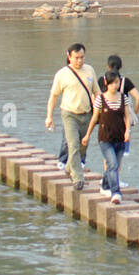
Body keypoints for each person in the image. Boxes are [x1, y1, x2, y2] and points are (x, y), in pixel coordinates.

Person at [46, 44, 97, 190]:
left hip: (87, 114)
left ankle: (69, 167)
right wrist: (49, 116)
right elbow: (54, 96)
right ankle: (78, 178)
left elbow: (96, 92)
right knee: (73, 145)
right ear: (69, 56)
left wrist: (101, 112)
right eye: (76, 58)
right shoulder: (62, 74)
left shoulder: (89, 70)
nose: (79, 61)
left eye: (82, 57)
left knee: (83, 145)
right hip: (69, 114)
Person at [82, 70, 131, 203]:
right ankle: (116, 193)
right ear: (106, 83)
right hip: (105, 138)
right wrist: (87, 135)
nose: (115, 85)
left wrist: (127, 131)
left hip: (120, 137)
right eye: (112, 83)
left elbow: (127, 116)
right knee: (113, 164)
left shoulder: (123, 98)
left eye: (117, 82)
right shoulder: (100, 99)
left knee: (113, 166)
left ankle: (104, 185)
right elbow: (94, 118)